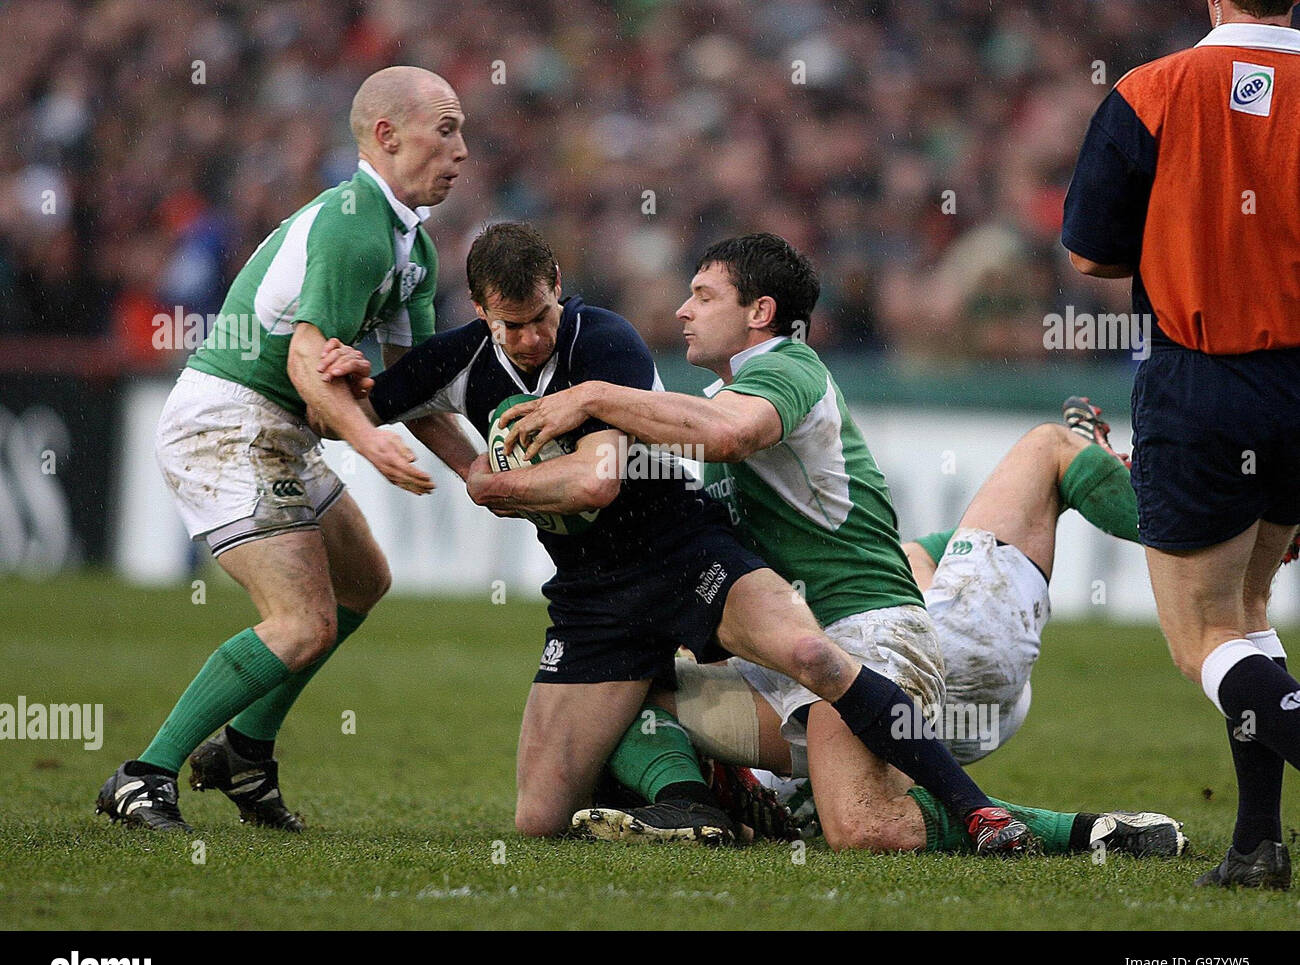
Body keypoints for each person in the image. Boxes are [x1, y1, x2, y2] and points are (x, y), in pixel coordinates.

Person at [321, 222, 1034, 853]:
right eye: (511, 326)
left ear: (559, 289)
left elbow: (597, 481)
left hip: (685, 554)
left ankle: (978, 811)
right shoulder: (467, 361)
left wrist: (497, 480)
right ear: (479, 311)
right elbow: (366, 404)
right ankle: (701, 802)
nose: (531, 337)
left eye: (540, 316)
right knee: (539, 817)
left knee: (814, 659)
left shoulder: (604, 340)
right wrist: (337, 368)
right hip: (592, 594)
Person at [498, 234, 1117, 854]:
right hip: (807, 663)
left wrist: (594, 394)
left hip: (876, 642)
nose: (682, 310)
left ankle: (1078, 830)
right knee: (621, 691)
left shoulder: (786, 365)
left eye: (702, 295)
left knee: (863, 828)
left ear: (759, 313)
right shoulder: (719, 404)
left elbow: (731, 434)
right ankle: (698, 808)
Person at [96, 66, 478, 833]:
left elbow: (416, 384)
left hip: (277, 428)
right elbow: (308, 362)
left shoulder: (413, 247)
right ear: (386, 135)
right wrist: (370, 442)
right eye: (446, 129)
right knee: (302, 622)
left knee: (362, 579)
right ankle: (142, 776)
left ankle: (244, 751)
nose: (462, 149)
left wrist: (485, 474)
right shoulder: (350, 223)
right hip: (228, 423)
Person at [630, 398, 1185, 856]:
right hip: (942, 679)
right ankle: (1198, 529)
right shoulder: (784, 522)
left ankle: (696, 802)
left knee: (626, 692)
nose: (685, 311)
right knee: (1047, 450)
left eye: (703, 297)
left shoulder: (691, 561)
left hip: (899, 688)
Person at [1063, 0, 1300, 888]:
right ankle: (1256, 844)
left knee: (1201, 636)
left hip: (1204, 376)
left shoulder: (1154, 90)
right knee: (1247, 611)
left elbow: (1090, 253)